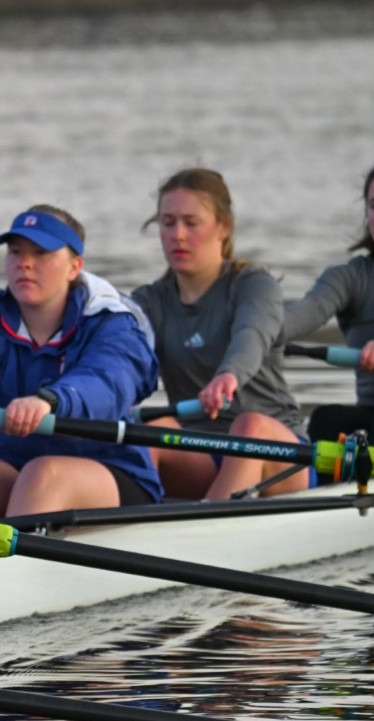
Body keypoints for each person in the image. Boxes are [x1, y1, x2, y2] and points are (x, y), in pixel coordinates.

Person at [0, 205, 161, 520]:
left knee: (44, 474)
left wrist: (50, 401)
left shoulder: (112, 322)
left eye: (41, 253)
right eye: (15, 252)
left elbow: (107, 382)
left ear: (74, 267)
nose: (24, 263)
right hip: (12, 468)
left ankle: (11, 564)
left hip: (109, 472)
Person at [131, 168, 306, 501]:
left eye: (191, 222)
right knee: (152, 430)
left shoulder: (254, 285)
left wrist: (229, 374)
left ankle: (207, 531)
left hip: (282, 457)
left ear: (224, 226)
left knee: (248, 427)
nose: (177, 235)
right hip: (201, 451)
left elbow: (251, 335)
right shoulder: (149, 302)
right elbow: (118, 353)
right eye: (168, 223)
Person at [283, 159, 374, 447]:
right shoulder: (350, 278)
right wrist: (254, 329)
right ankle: (327, 490)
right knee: (326, 419)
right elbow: (301, 315)